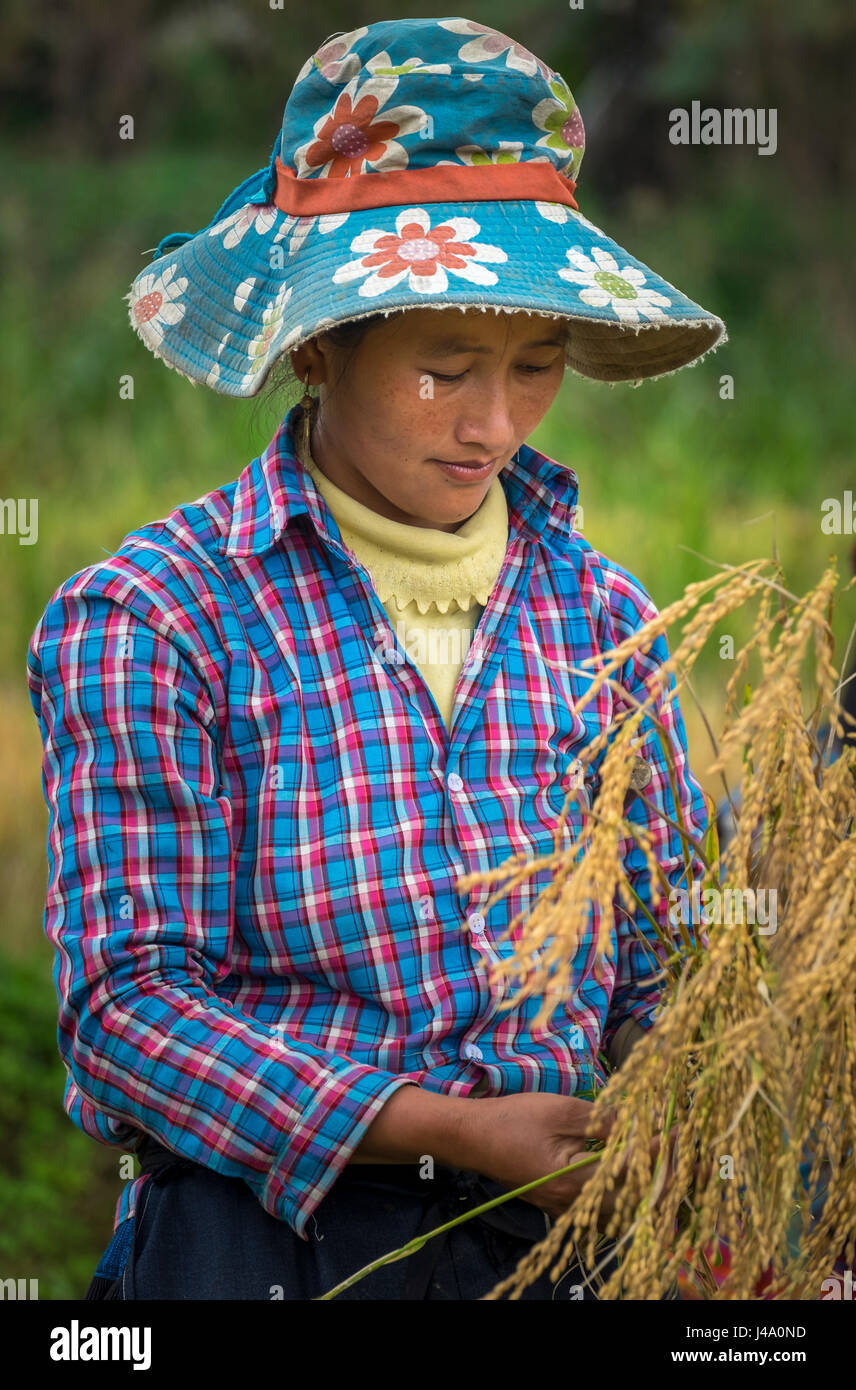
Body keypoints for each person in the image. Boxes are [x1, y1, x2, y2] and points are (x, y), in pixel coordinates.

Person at [26, 16, 723, 1301]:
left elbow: (672, 947)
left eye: (536, 365)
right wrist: (436, 1125)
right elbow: (127, 1009)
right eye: (444, 370)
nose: (494, 424)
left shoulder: (604, 618)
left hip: (568, 1242)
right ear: (315, 349)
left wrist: (668, 1067)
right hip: (265, 1241)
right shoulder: (159, 616)